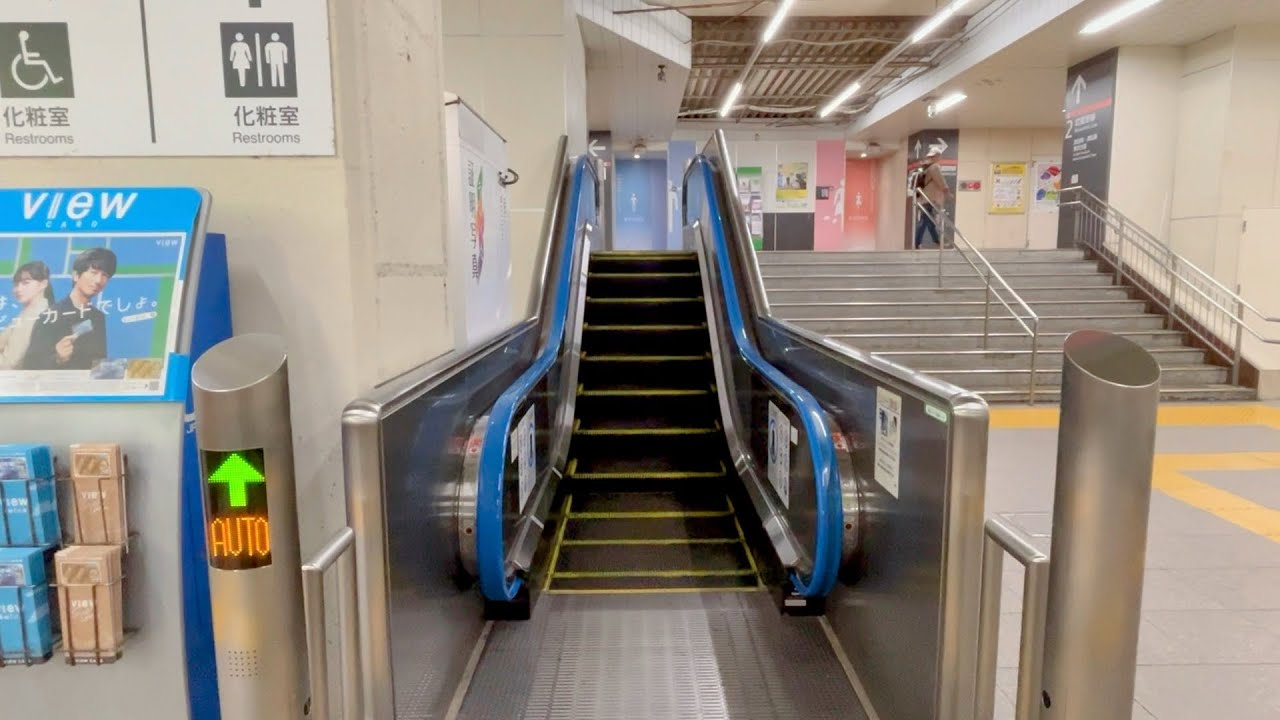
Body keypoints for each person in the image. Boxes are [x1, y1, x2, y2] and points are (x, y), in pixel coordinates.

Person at [24, 248, 116, 371]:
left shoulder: (97, 317)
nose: (99, 280)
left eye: (105, 275)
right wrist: (58, 358)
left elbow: (98, 362)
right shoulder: (50, 315)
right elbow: (30, 367)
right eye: (93, 272)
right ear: (76, 275)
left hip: (88, 388)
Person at [0, 261, 55, 370]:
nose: (18, 289)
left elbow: (9, 363)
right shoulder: (29, 312)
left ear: (43, 284)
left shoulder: (35, 315)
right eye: (16, 284)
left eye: (26, 283)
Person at [914, 147, 949, 249]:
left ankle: (936, 241)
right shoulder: (934, 167)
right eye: (939, 155)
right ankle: (917, 243)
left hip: (923, 198)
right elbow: (940, 181)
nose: (940, 157)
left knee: (929, 221)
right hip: (929, 198)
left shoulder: (925, 166)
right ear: (936, 156)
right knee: (925, 221)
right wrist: (947, 191)